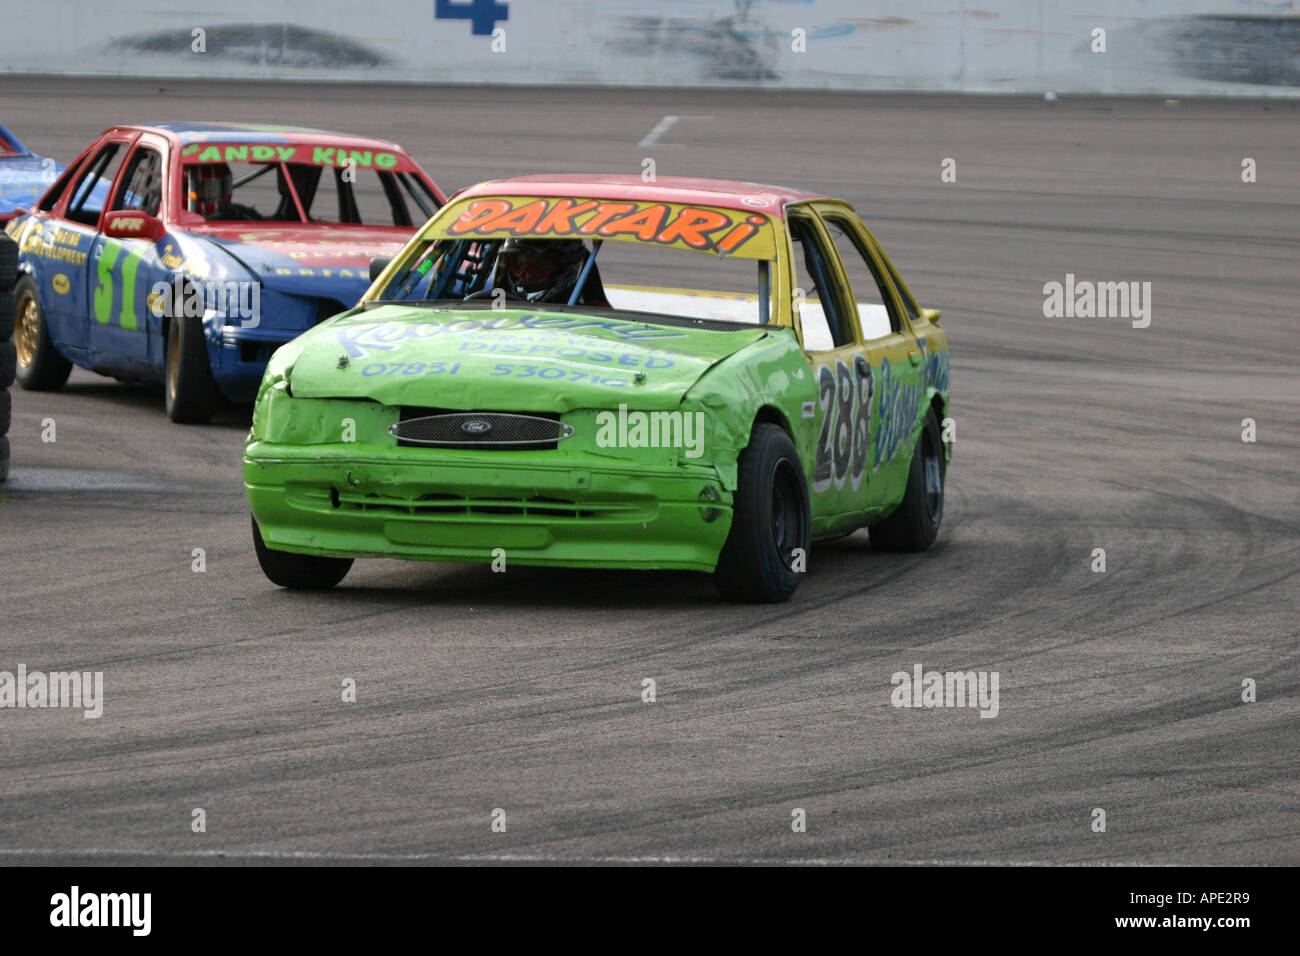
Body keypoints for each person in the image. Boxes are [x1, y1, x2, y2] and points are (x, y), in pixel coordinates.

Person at [496, 238, 602, 304]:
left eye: (539, 265)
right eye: (518, 263)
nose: (525, 275)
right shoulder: (492, 300)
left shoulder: (590, 320)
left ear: (563, 270)